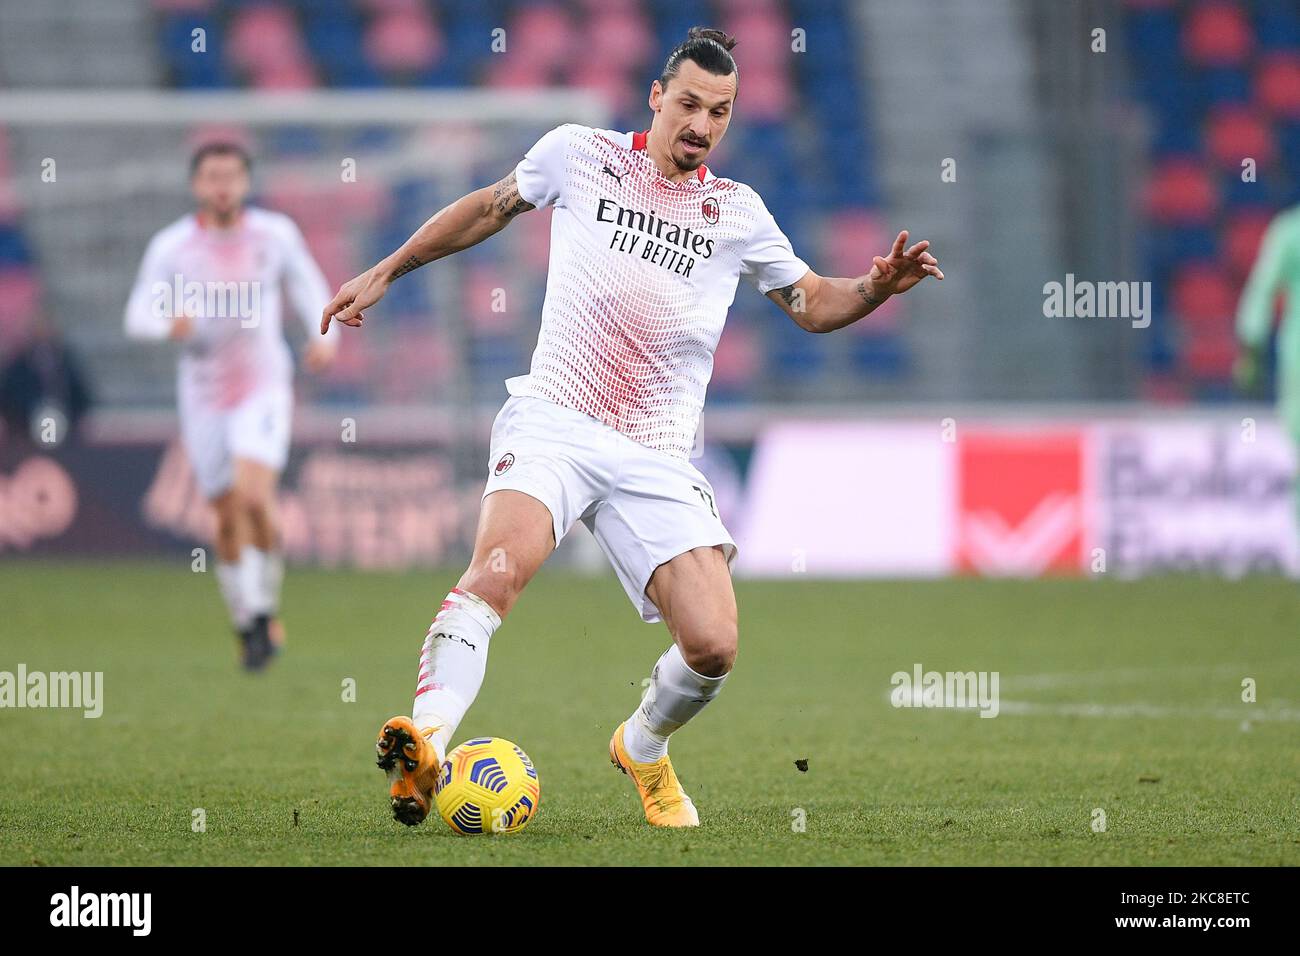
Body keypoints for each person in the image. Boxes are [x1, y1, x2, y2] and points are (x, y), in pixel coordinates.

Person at [321, 28, 943, 827]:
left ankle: (642, 744)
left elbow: (812, 302)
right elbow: (489, 207)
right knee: (496, 572)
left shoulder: (737, 214)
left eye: (719, 112)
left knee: (715, 644)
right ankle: (430, 743)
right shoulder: (578, 155)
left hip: (656, 451)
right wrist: (383, 271)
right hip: (557, 417)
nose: (702, 124)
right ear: (656, 96)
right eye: (689, 103)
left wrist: (873, 287)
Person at [125, 142, 338, 671]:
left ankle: (265, 611)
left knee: (254, 496)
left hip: (263, 385)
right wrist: (164, 324)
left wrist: (324, 336)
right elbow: (137, 314)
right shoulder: (172, 247)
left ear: (246, 183)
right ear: (196, 185)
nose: (222, 185)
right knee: (224, 517)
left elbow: (308, 282)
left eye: (231, 175)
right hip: (203, 395)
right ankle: (246, 620)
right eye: (212, 176)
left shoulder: (274, 234)